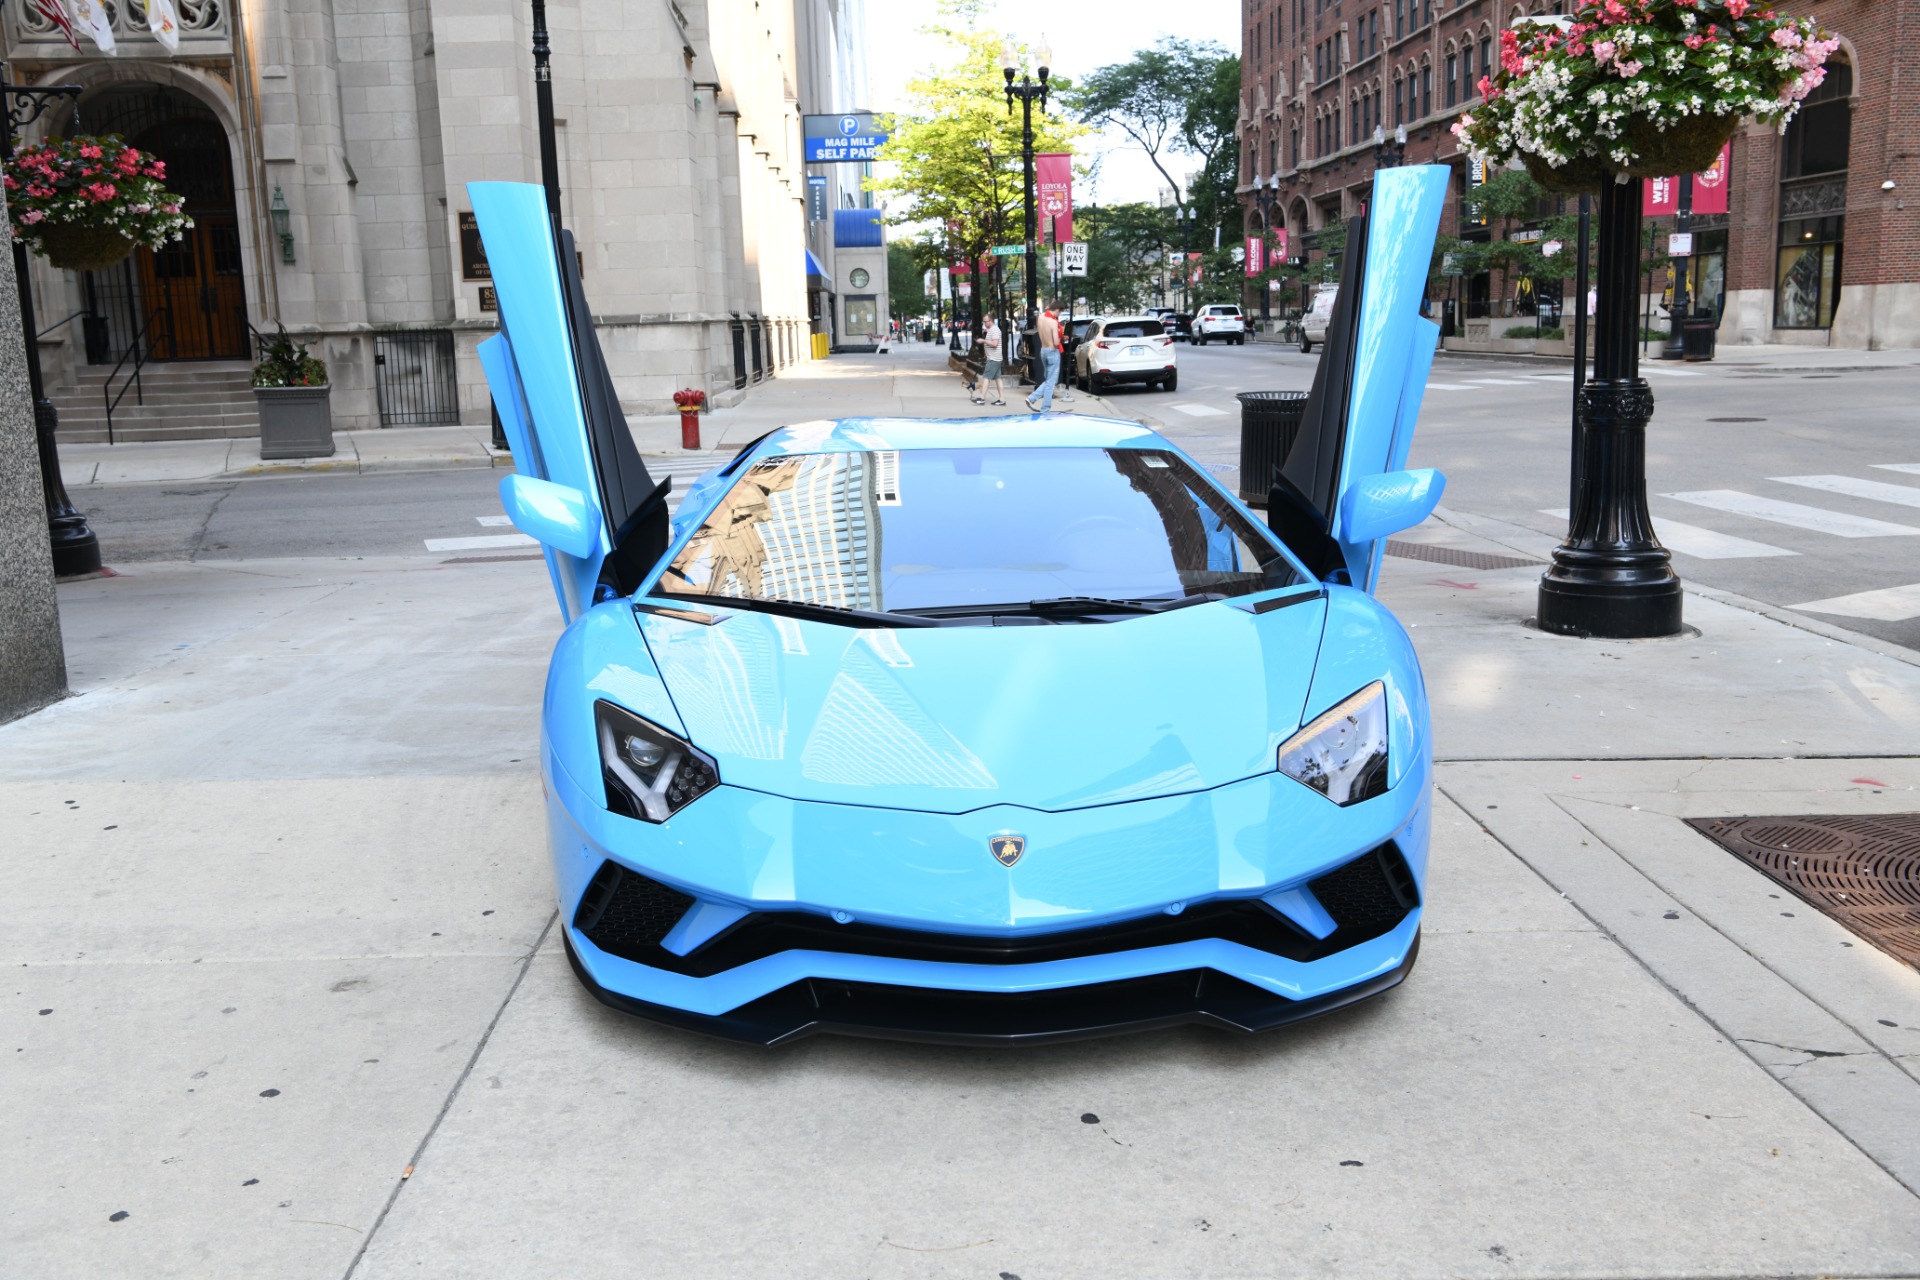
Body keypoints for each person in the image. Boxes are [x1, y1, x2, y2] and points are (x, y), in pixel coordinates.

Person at [1025, 308, 1063, 414]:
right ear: (1057, 310)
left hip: (1043, 350)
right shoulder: (1053, 322)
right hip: (1052, 351)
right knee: (1051, 382)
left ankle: (1032, 398)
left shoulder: (1040, 319)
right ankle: (1043, 407)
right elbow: (1056, 342)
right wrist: (1061, 336)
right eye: (1059, 312)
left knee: (1049, 380)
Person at [978, 316, 1006, 406]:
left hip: (993, 358)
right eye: (984, 322)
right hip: (995, 358)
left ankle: (982, 398)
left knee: (986, 377)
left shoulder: (994, 330)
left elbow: (995, 344)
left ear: (991, 320)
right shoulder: (992, 330)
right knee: (998, 379)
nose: (984, 323)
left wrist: (983, 341)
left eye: (985, 321)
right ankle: (1002, 399)